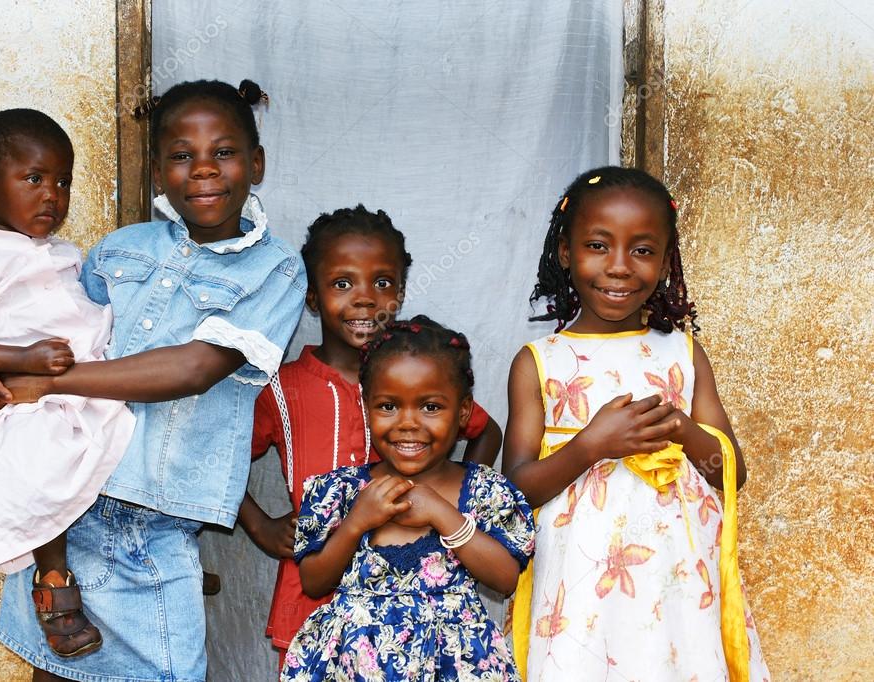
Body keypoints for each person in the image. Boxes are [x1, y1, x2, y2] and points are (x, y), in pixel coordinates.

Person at [0, 79, 306, 682]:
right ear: (156, 174)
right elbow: (45, 328)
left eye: (223, 152)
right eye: (181, 155)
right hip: (68, 502)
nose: (203, 170)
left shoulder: (275, 269)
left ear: (257, 163)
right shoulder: (119, 249)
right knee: (59, 668)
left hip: (152, 511)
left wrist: (48, 386)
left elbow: (197, 369)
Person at [503, 166, 769, 681]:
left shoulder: (684, 354)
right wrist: (589, 447)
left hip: (676, 577)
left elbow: (731, 475)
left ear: (666, 262)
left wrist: (684, 430)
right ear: (565, 252)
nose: (620, 267)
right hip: (582, 580)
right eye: (598, 246)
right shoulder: (541, 361)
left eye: (642, 251)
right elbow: (514, 489)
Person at [238, 206, 503, 672]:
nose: (364, 299)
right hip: (317, 591)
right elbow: (218, 455)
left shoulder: (415, 376)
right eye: (342, 283)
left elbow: (485, 429)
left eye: (382, 283)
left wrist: (460, 505)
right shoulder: (282, 387)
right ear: (313, 296)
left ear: (400, 292)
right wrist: (258, 523)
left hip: (417, 597)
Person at [0, 108, 136, 658]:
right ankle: (55, 585)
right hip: (29, 396)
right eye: (34, 179)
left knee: (136, 434)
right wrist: (20, 358)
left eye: (63, 181)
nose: (52, 195)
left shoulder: (62, 254)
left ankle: (148, 562)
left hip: (85, 379)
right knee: (34, 469)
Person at [280, 316, 534, 681]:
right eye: (388, 406)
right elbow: (313, 581)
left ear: (463, 411)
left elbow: (505, 578)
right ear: (365, 407)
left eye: (430, 407)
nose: (408, 423)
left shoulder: (482, 491)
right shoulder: (341, 491)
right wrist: (357, 523)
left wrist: (442, 513)